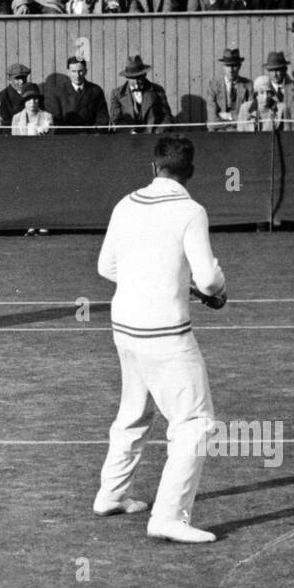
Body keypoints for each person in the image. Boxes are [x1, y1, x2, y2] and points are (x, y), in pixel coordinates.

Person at [92, 135, 224, 543]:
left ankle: (111, 495)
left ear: (155, 167)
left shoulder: (125, 203)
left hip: (125, 327)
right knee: (195, 424)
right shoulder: (191, 210)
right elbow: (208, 279)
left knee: (135, 410)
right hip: (165, 334)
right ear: (191, 172)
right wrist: (213, 290)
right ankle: (168, 516)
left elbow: (106, 266)